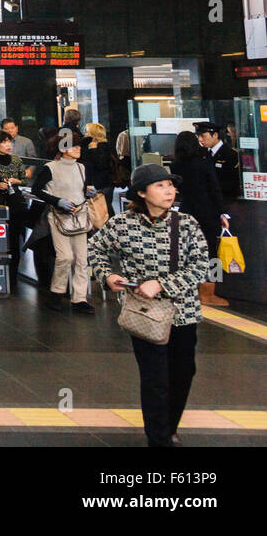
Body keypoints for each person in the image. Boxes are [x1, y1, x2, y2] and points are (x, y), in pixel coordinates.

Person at [90, 164, 209, 447]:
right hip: (144, 313)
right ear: (142, 193)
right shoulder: (122, 224)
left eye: (170, 185)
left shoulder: (187, 224)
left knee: (183, 372)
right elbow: (95, 248)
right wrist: (108, 276)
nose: (169, 191)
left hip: (184, 312)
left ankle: (168, 426)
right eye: (160, 186)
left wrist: (162, 284)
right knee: (155, 378)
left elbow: (201, 265)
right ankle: (159, 438)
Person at [31, 130, 95, 314]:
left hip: (79, 217)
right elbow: (37, 189)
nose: (78, 149)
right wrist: (57, 201)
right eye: (74, 145)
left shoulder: (81, 167)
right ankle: (57, 293)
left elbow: (83, 188)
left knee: (82, 259)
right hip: (59, 217)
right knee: (65, 256)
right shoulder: (51, 168)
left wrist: (89, 191)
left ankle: (79, 298)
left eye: (79, 145)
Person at [170, 130, 230, 307]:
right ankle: (209, 293)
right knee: (212, 252)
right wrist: (223, 212)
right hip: (207, 213)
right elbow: (215, 189)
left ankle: (191, 288)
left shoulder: (176, 165)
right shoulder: (204, 163)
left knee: (187, 251)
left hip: (186, 211)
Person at [0, 130, 30, 285]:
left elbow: (24, 180)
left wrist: (16, 181)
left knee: (15, 236)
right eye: (3, 142)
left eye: (9, 141)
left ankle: (13, 274)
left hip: (14, 201)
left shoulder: (16, 160)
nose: (8, 145)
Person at [81, 123, 119, 217]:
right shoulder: (88, 146)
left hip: (102, 183)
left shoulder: (103, 146)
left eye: (87, 131)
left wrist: (93, 150)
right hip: (95, 183)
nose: (85, 133)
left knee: (104, 209)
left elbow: (101, 164)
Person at [195, 122, 240, 200]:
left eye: (203, 136)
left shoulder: (230, 155)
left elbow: (233, 182)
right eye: (198, 136)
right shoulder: (200, 153)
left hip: (225, 200)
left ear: (215, 135)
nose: (200, 139)